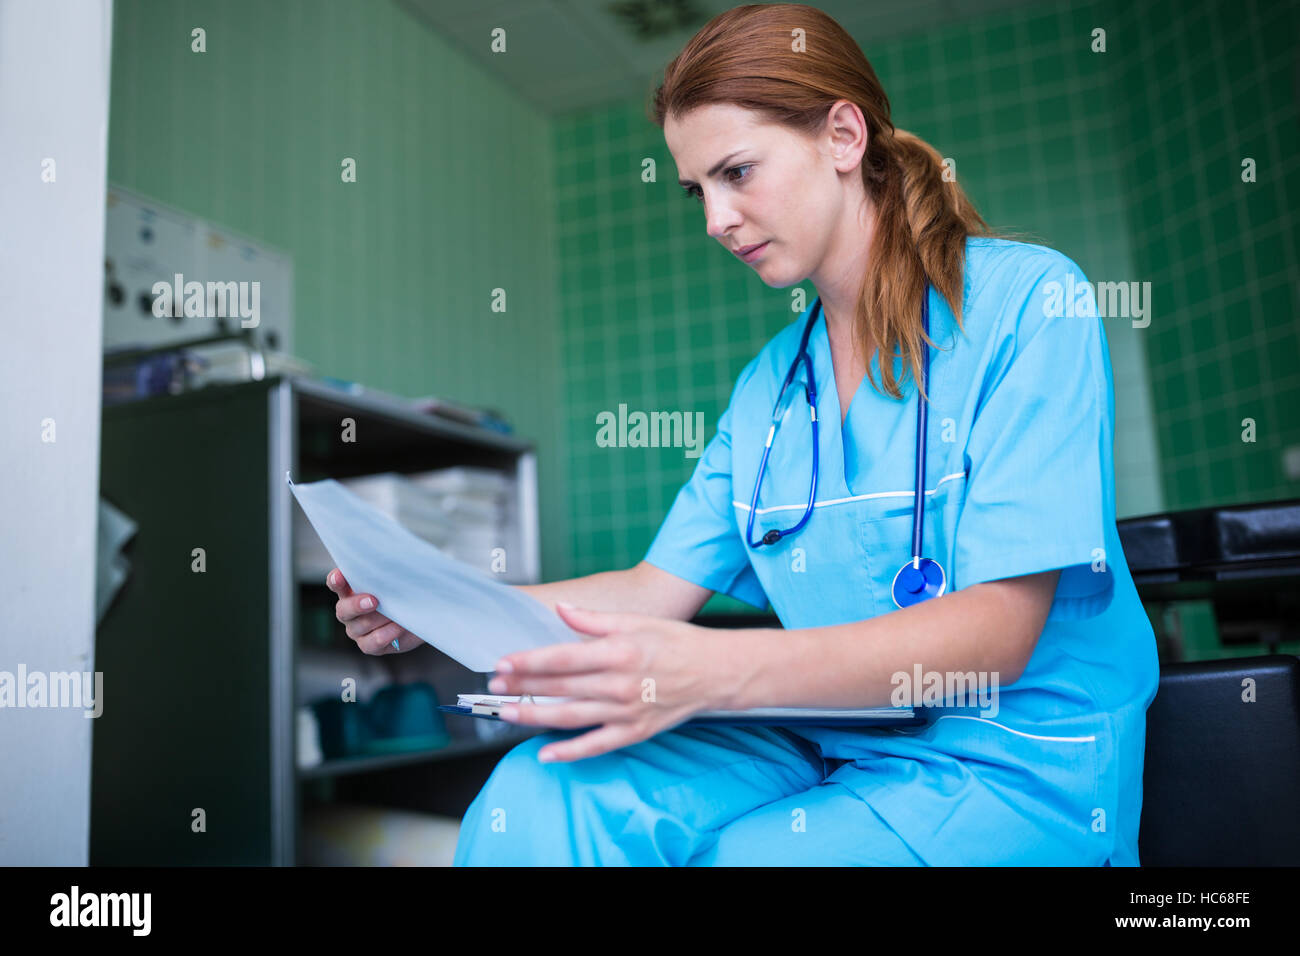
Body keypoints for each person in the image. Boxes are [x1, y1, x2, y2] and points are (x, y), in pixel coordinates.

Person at [328, 3, 1158, 865]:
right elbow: (654, 591)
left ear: (843, 135)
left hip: (1007, 756)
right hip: (825, 732)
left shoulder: (1029, 304)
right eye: (698, 190)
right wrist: (439, 606)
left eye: (736, 173)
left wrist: (713, 672)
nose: (715, 220)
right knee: (538, 798)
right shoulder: (771, 384)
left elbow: (995, 632)